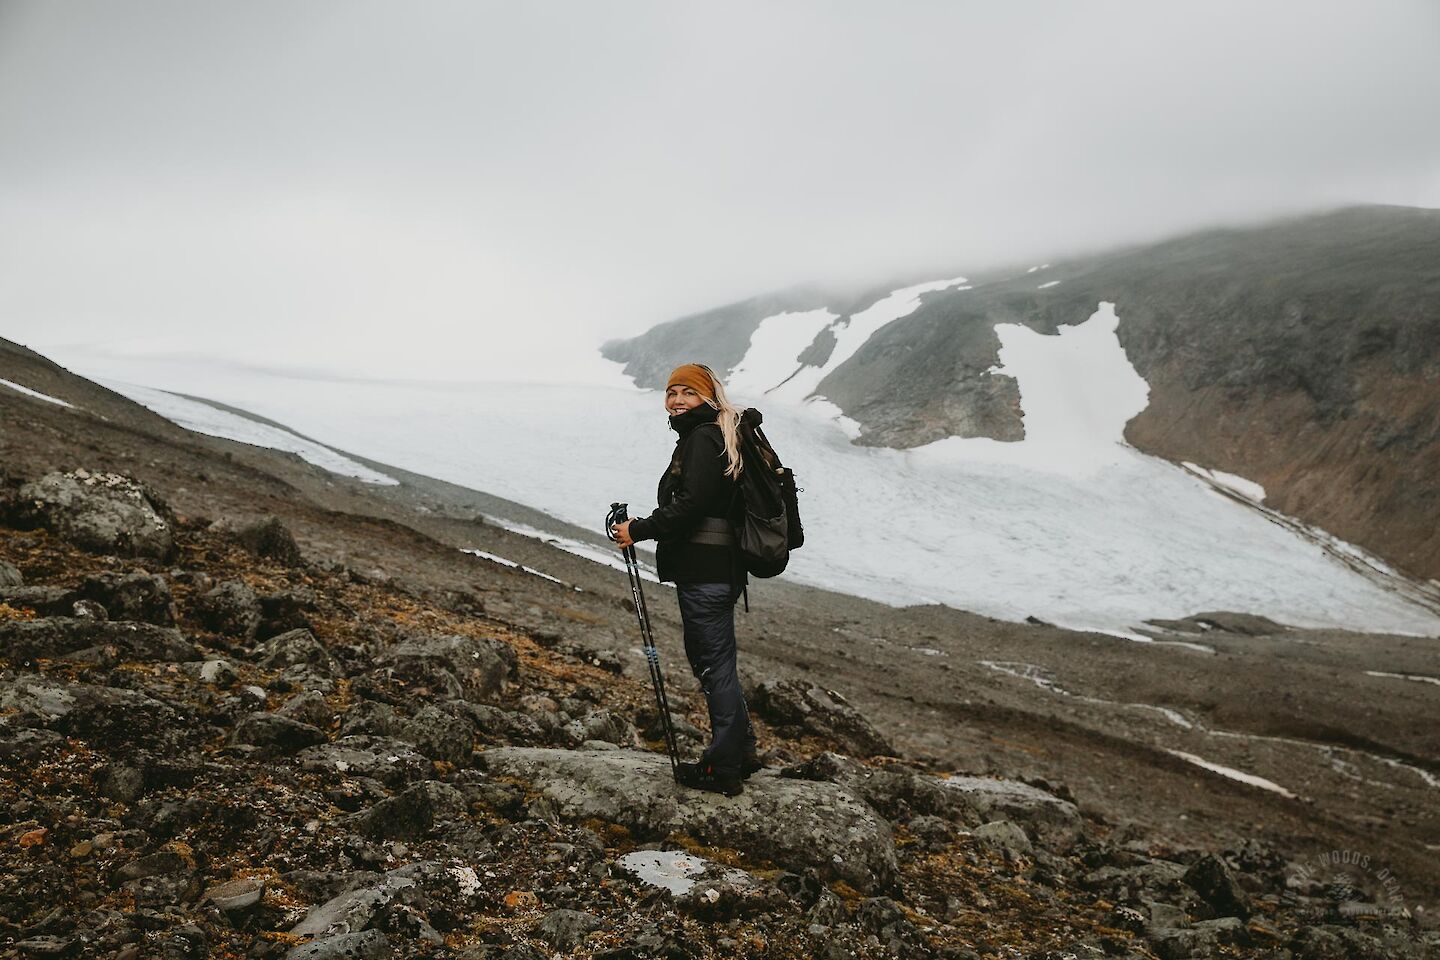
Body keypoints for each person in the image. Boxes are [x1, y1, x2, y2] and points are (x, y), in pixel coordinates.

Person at [610, 362, 761, 796]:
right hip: (721, 569)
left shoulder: (702, 439)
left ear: (707, 397)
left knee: (713, 665)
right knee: (717, 663)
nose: (677, 400)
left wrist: (637, 530)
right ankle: (742, 749)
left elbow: (693, 506)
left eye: (687, 393)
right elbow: (706, 504)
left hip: (705, 572)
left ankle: (724, 767)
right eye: (672, 391)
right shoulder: (718, 434)